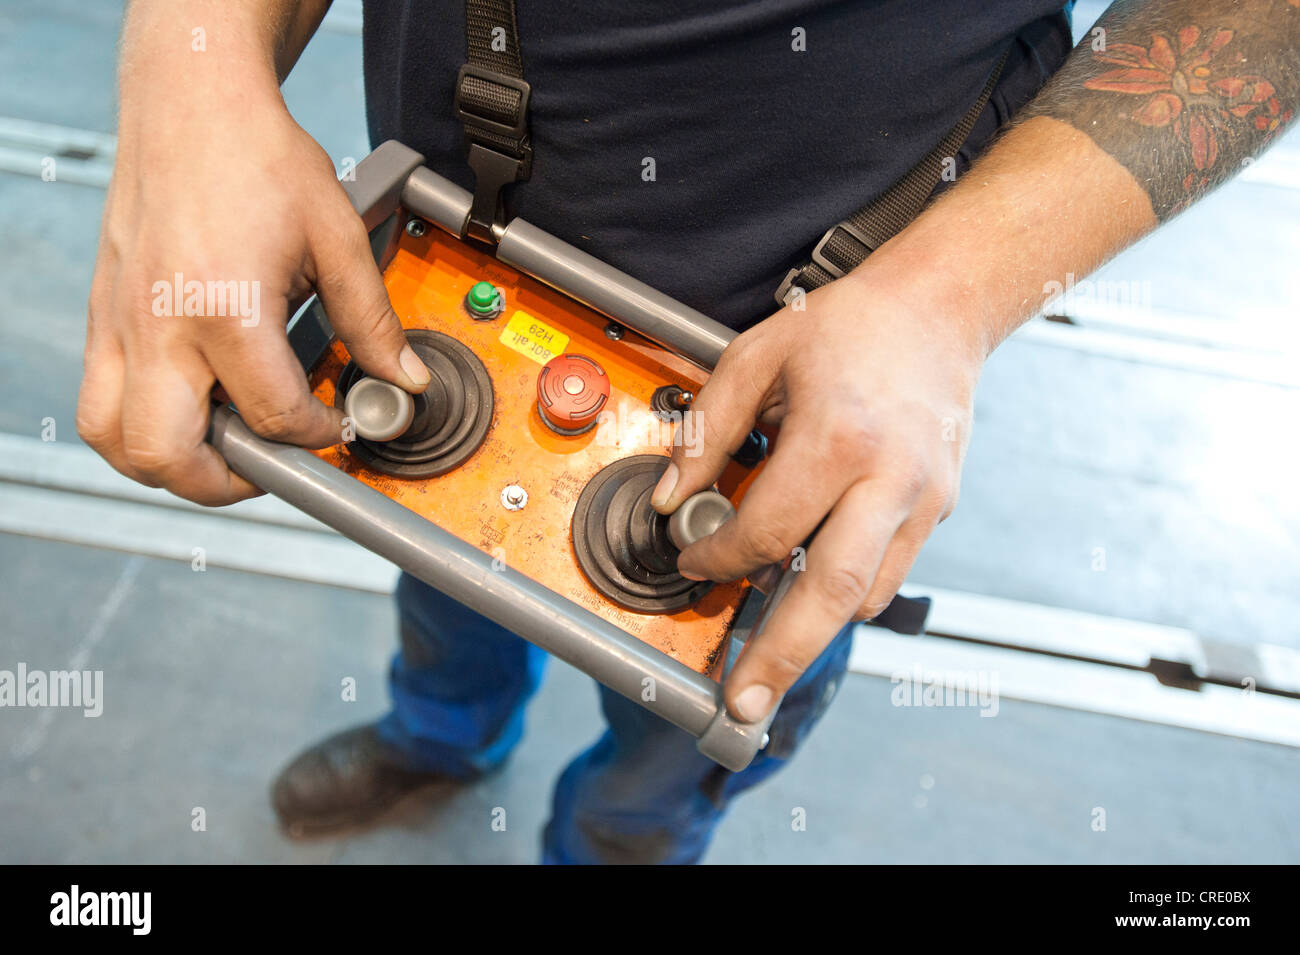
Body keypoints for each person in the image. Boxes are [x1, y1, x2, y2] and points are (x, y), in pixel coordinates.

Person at [79, 0, 1298, 863]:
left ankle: (611, 848)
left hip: (828, 376)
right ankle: (443, 738)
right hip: (452, 272)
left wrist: (951, 295)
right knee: (442, 577)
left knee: (687, 741)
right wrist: (193, 66)